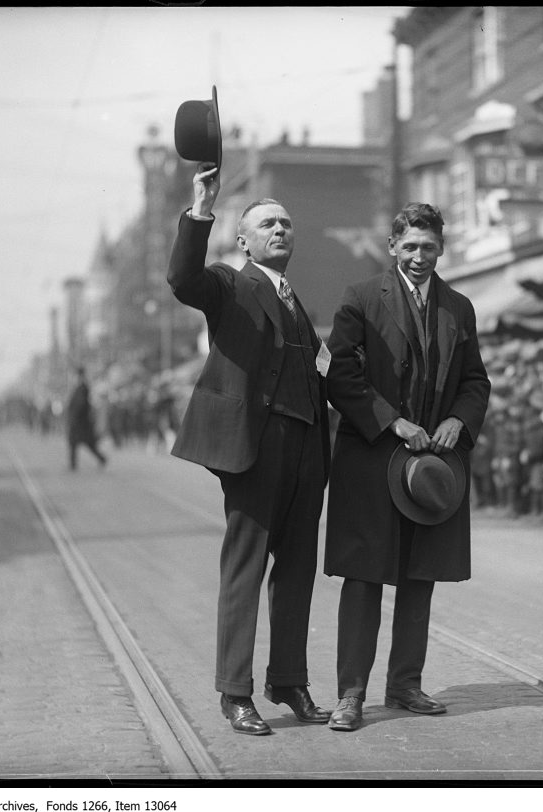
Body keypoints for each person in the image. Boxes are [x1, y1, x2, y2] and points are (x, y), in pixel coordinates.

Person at [166, 162, 332, 735]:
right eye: (267, 224)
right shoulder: (230, 285)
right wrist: (201, 209)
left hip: (306, 448)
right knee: (246, 569)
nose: (279, 229)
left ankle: (289, 681)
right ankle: (234, 692)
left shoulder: (296, 302)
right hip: (256, 448)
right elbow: (183, 280)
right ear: (243, 241)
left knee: (297, 572)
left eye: (285, 223)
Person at [323, 202, 490, 732]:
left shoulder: (459, 307)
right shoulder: (361, 298)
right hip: (372, 460)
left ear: (443, 248)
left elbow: (475, 381)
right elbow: (340, 376)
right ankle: (351, 694)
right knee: (364, 577)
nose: (420, 257)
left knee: (421, 576)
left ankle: (404, 685)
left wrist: (458, 421)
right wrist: (393, 422)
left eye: (430, 247)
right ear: (392, 246)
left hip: (434, 466)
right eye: (411, 246)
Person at [66, 366, 107, 471]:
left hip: (81, 422)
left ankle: (100, 458)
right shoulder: (80, 387)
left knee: (85, 443)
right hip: (80, 422)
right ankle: (73, 464)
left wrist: (75, 416)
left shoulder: (82, 388)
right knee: (80, 443)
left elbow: (81, 405)